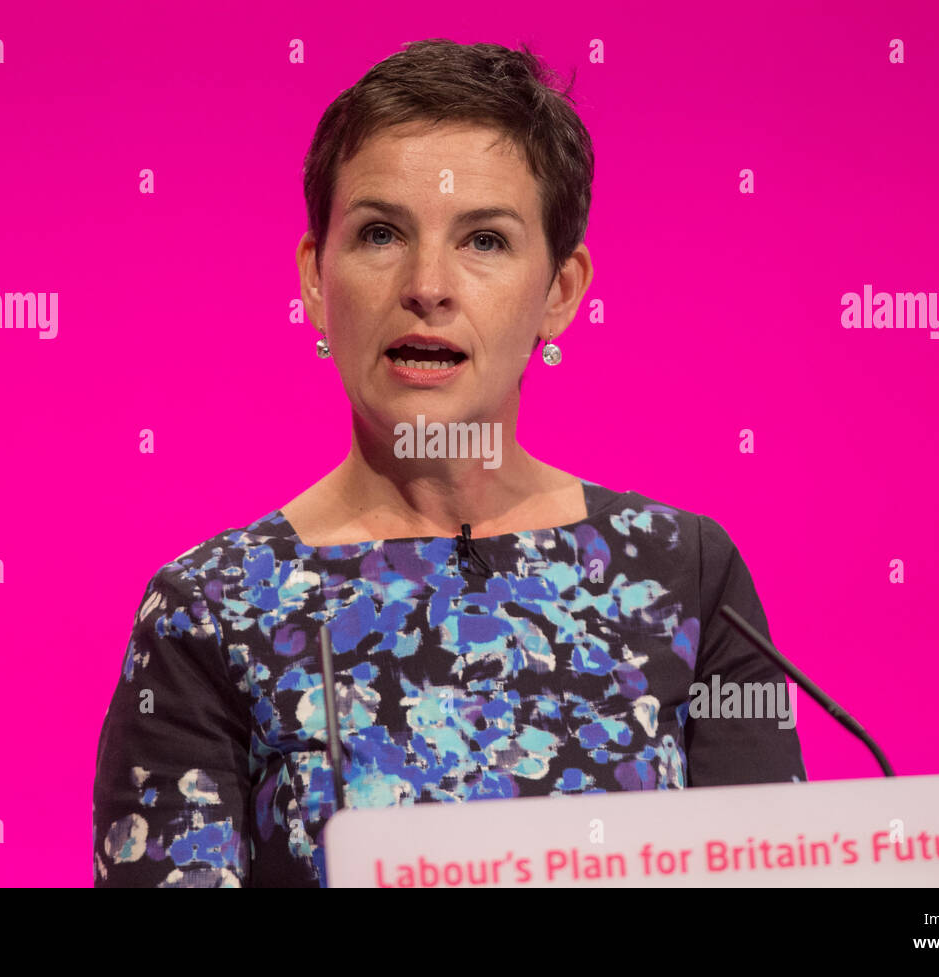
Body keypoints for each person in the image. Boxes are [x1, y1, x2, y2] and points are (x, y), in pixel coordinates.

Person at [92, 38, 805, 888]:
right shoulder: (208, 612)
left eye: (486, 241)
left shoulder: (686, 574)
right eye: (382, 233)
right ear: (317, 279)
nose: (427, 284)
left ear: (561, 293)